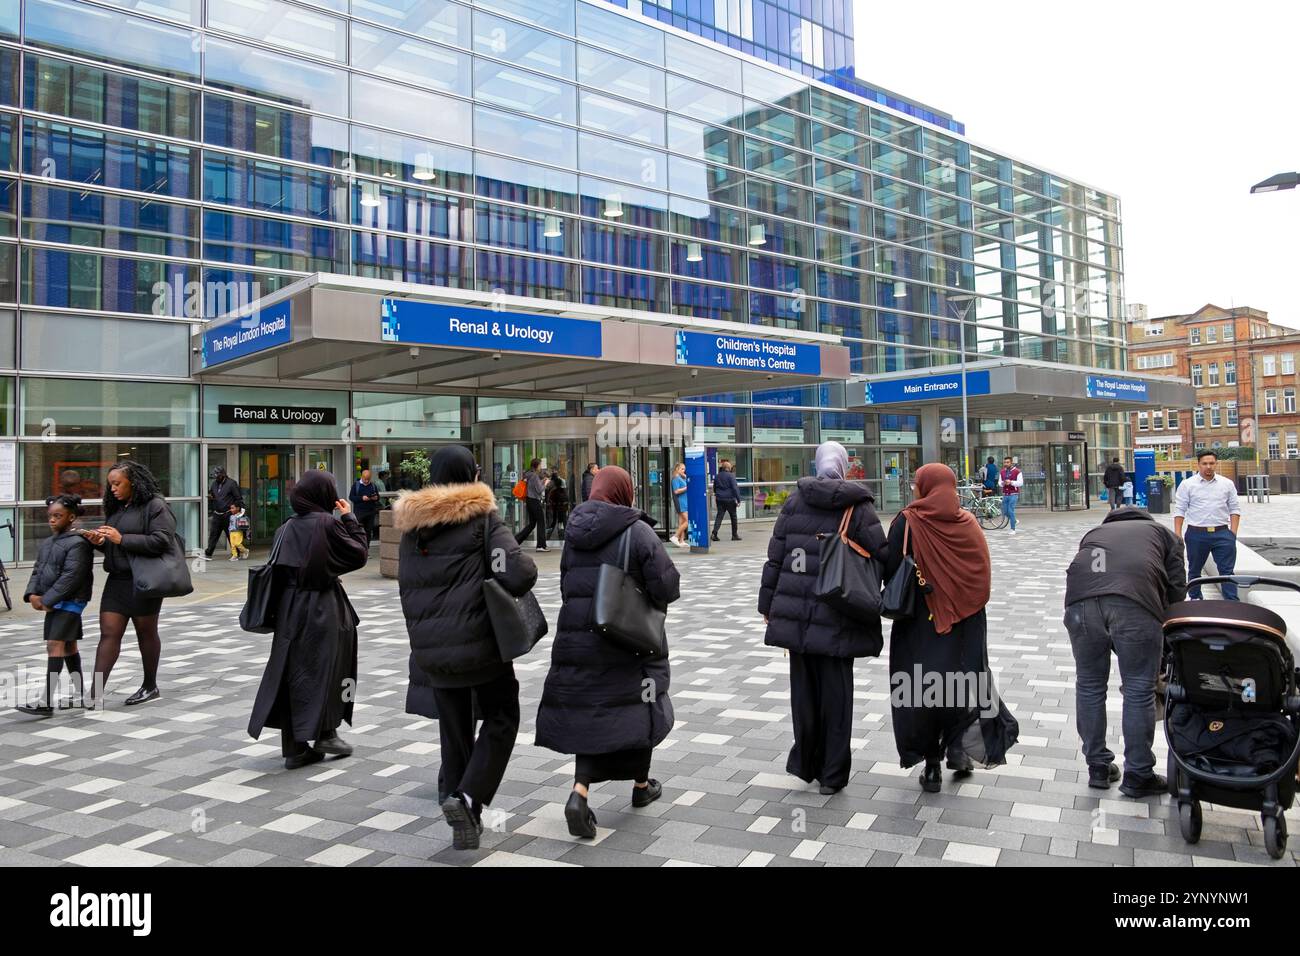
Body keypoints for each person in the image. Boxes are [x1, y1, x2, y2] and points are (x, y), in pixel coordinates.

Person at [395, 446, 538, 850]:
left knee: (454, 729)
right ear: (468, 475)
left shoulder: (411, 527)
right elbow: (519, 572)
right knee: (503, 715)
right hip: (480, 646)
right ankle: (468, 797)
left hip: (431, 652)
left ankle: (463, 817)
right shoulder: (482, 518)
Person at [535, 465, 681, 838]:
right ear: (625, 491)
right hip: (628, 641)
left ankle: (579, 793)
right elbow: (666, 586)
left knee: (593, 714)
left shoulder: (574, 533)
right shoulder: (639, 531)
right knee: (640, 705)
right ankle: (640, 785)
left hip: (580, 639)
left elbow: (568, 584)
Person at [758, 440, 886, 795]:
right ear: (843, 465)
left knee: (804, 694)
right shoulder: (857, 507)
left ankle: (806, 764)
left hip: (797, 619)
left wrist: (767, 607)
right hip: (839, 619)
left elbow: (776, 558)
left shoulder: (795, 501)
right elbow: (883, 556)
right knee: (837, 698)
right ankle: (832, 775)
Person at [880, 463, 992, 793]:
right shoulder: (968, 522)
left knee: (922, 688)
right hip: (965, 622)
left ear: (923, 487)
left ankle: (931, 764)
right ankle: (958, 751)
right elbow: (981, 575)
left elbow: (890, 571)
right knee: (958, 683)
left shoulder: (908, 521)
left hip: (920, 623)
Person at [247, 470, 370, 770]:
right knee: (328, 666)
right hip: (322, 607)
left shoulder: (285, 528)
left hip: (290, 609)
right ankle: (326, 732)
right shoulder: (327, 524)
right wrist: (350, 519)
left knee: (292, 671)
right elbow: (359, 555)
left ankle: (295, 748)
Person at [1064, 505, 1186, 796]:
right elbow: (1178, 590)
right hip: (1134, 605)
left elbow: (1091, 571)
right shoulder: (1164, 535)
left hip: (1079, 606)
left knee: (1090, 685)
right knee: (1138, 689)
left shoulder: (1095, 533)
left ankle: (1097, 767)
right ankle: (1138, 774)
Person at [82, 461, 177, 707]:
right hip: (117, 580)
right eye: (110, 484)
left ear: (133, 482)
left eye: (117, 483)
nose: (112, 488)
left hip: (143, 580)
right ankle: (95, 694)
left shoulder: (155, 505)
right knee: (109, 633)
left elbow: (162, 540)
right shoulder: (117, 508)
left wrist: (121, 538)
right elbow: (115, 545)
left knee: (145, 632)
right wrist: (99, 541)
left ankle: (149, 685)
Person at [16, 495, 93, 716]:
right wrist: (31, 595)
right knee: (68, 647)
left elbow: (71, 577)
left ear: (71, 517)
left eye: (57, 516)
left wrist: (47, 600)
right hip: (54, 603)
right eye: (50, 516)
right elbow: (38, 570)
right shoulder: (49, 542)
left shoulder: (78, 543)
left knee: (54, 645)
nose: (52, 520)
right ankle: (82, 695)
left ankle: (46, 702)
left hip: (70, 603)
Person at [1173, 449, 1242, 601]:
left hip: (1222, 533)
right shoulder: (1187, 485)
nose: (1208, 467)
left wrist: (1233, 533)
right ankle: (1196, 599)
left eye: (1211, 463)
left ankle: (1232, 603)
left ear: (1216, 464)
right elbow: (1179, 510)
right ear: (1198, 465)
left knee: (1227, 571)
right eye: (1204, 463)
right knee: (1194, 570)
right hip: (1196, 534)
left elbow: (1235, 509)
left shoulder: (1227, 484)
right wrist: (1177, 534)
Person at [204, 465, 244, 558]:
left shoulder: (232, 483)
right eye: (214, 476)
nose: (216, 478)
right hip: (217, 514)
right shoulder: (214, 484)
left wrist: (236, 507)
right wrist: (211, 498)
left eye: (217, 476)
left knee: (231, 535)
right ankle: (208, 553)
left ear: (223, 475)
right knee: (213, 534)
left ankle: (237, 553)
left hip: (228, 514)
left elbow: (238, 498)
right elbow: (213, 494)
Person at [513, 458, 548, 552]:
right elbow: (539, 490)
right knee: (541, 522)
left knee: (532, 524)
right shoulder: (535, 476)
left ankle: (515, 541)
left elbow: (533, 487)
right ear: (537, 466)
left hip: (529, 501)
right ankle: (541, 545)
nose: (541, 467)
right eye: (540, 465)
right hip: (535, 501)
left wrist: (542, 482)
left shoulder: (528, 474)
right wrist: (546, 483)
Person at [711, 459, 742, 542]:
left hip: (720, 499)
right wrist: (738, 499)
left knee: (719, 516)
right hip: (729, 499)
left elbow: (714, 488)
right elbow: (735, 488)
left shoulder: (717, 476)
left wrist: (717, 494)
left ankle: (714, 533)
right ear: (729, 468)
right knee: (733, 517)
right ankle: (734, 535)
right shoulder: (731, 476)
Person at [349, 468, 381, 544]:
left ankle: (366, 550)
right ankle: (359, 548)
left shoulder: (373, 485)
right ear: (361, 477)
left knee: (368, 531)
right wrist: (362, 498)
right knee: (359, 531)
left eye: (368, 479)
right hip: (359, 512)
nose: (366, 481)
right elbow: (351, 497)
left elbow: (377, 496)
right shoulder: (356, 485)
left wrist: (376, 498)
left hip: (370, 512)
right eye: (365, 479)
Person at [999, 456, 1023, 534]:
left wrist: (1011, 482)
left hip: (1013, 494)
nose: (1006, 464)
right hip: (1005, 494)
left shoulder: (1017, 471)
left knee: (1010, 510)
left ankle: (1013, 529)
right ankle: (1014, 520)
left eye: (1007, 462)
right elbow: (999, 483)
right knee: (1004, 512)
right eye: (1005, 462)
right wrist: (1003, 483)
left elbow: (1020, 483)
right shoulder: (1002, 472)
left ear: (1011, 463)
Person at [546, 469, 569, 538]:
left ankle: (548, 535)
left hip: (555, 509)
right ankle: (564, 534)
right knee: (563, 521)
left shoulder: (553, 490)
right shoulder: (563, 490)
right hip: (563, 509)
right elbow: (566, 499)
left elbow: (550, 499)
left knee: (553, 522)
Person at [670, 461, 689, 548]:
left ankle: (681, 540)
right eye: (682, 469)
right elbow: (676, 491)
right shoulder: (676, 478)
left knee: (682, 521)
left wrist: (685, 477)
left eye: (684, 469)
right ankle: (675, 536)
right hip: (681, 502)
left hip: (684, 501)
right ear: (677, 469)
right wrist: (686, 487)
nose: (683, 470)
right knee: (687, 521)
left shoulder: (681, 477)